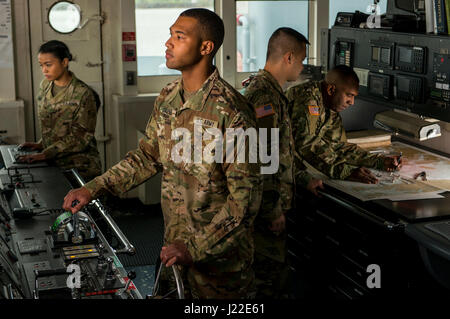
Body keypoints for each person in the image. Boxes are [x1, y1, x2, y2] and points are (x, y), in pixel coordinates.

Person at [62, 9, 262, 299]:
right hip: (173, 250)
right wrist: (95, 187)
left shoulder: (233, 112)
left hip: (219, 266)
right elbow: (148, 156)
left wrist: (194, 248)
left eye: (179, 37)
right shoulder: (168, 96)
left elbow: (246, 202)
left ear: (206, 47)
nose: (168, 43)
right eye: (170, 34)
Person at [243, 28, 323, 299]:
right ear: (288, 57)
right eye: (301, 60)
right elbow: (263, 159)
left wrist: (303, 178)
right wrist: (272, 210)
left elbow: (281, 153)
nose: (301, 67)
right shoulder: (264, 96)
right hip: (264, 209)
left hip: (267, 203)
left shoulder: (269, 91)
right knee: (269, 282)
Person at [286, 65, 402, 184]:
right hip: (273, 171)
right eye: (349, 95)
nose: (351, 102)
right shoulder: (308, 98)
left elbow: (340, 147)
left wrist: (379, 161)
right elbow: (307, 143)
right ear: (331, 90)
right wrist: (346, 171)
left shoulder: (331, 108)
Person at [18, 40, 101, 182]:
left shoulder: (83, 94)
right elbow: (55, 125)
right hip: (54, 164)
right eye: (41, 65)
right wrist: (41, 144)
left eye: (48, 65)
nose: (44, 70)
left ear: (64, 62)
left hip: (79, 168)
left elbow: (80, 137)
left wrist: (45, 154)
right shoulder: (45, 85)